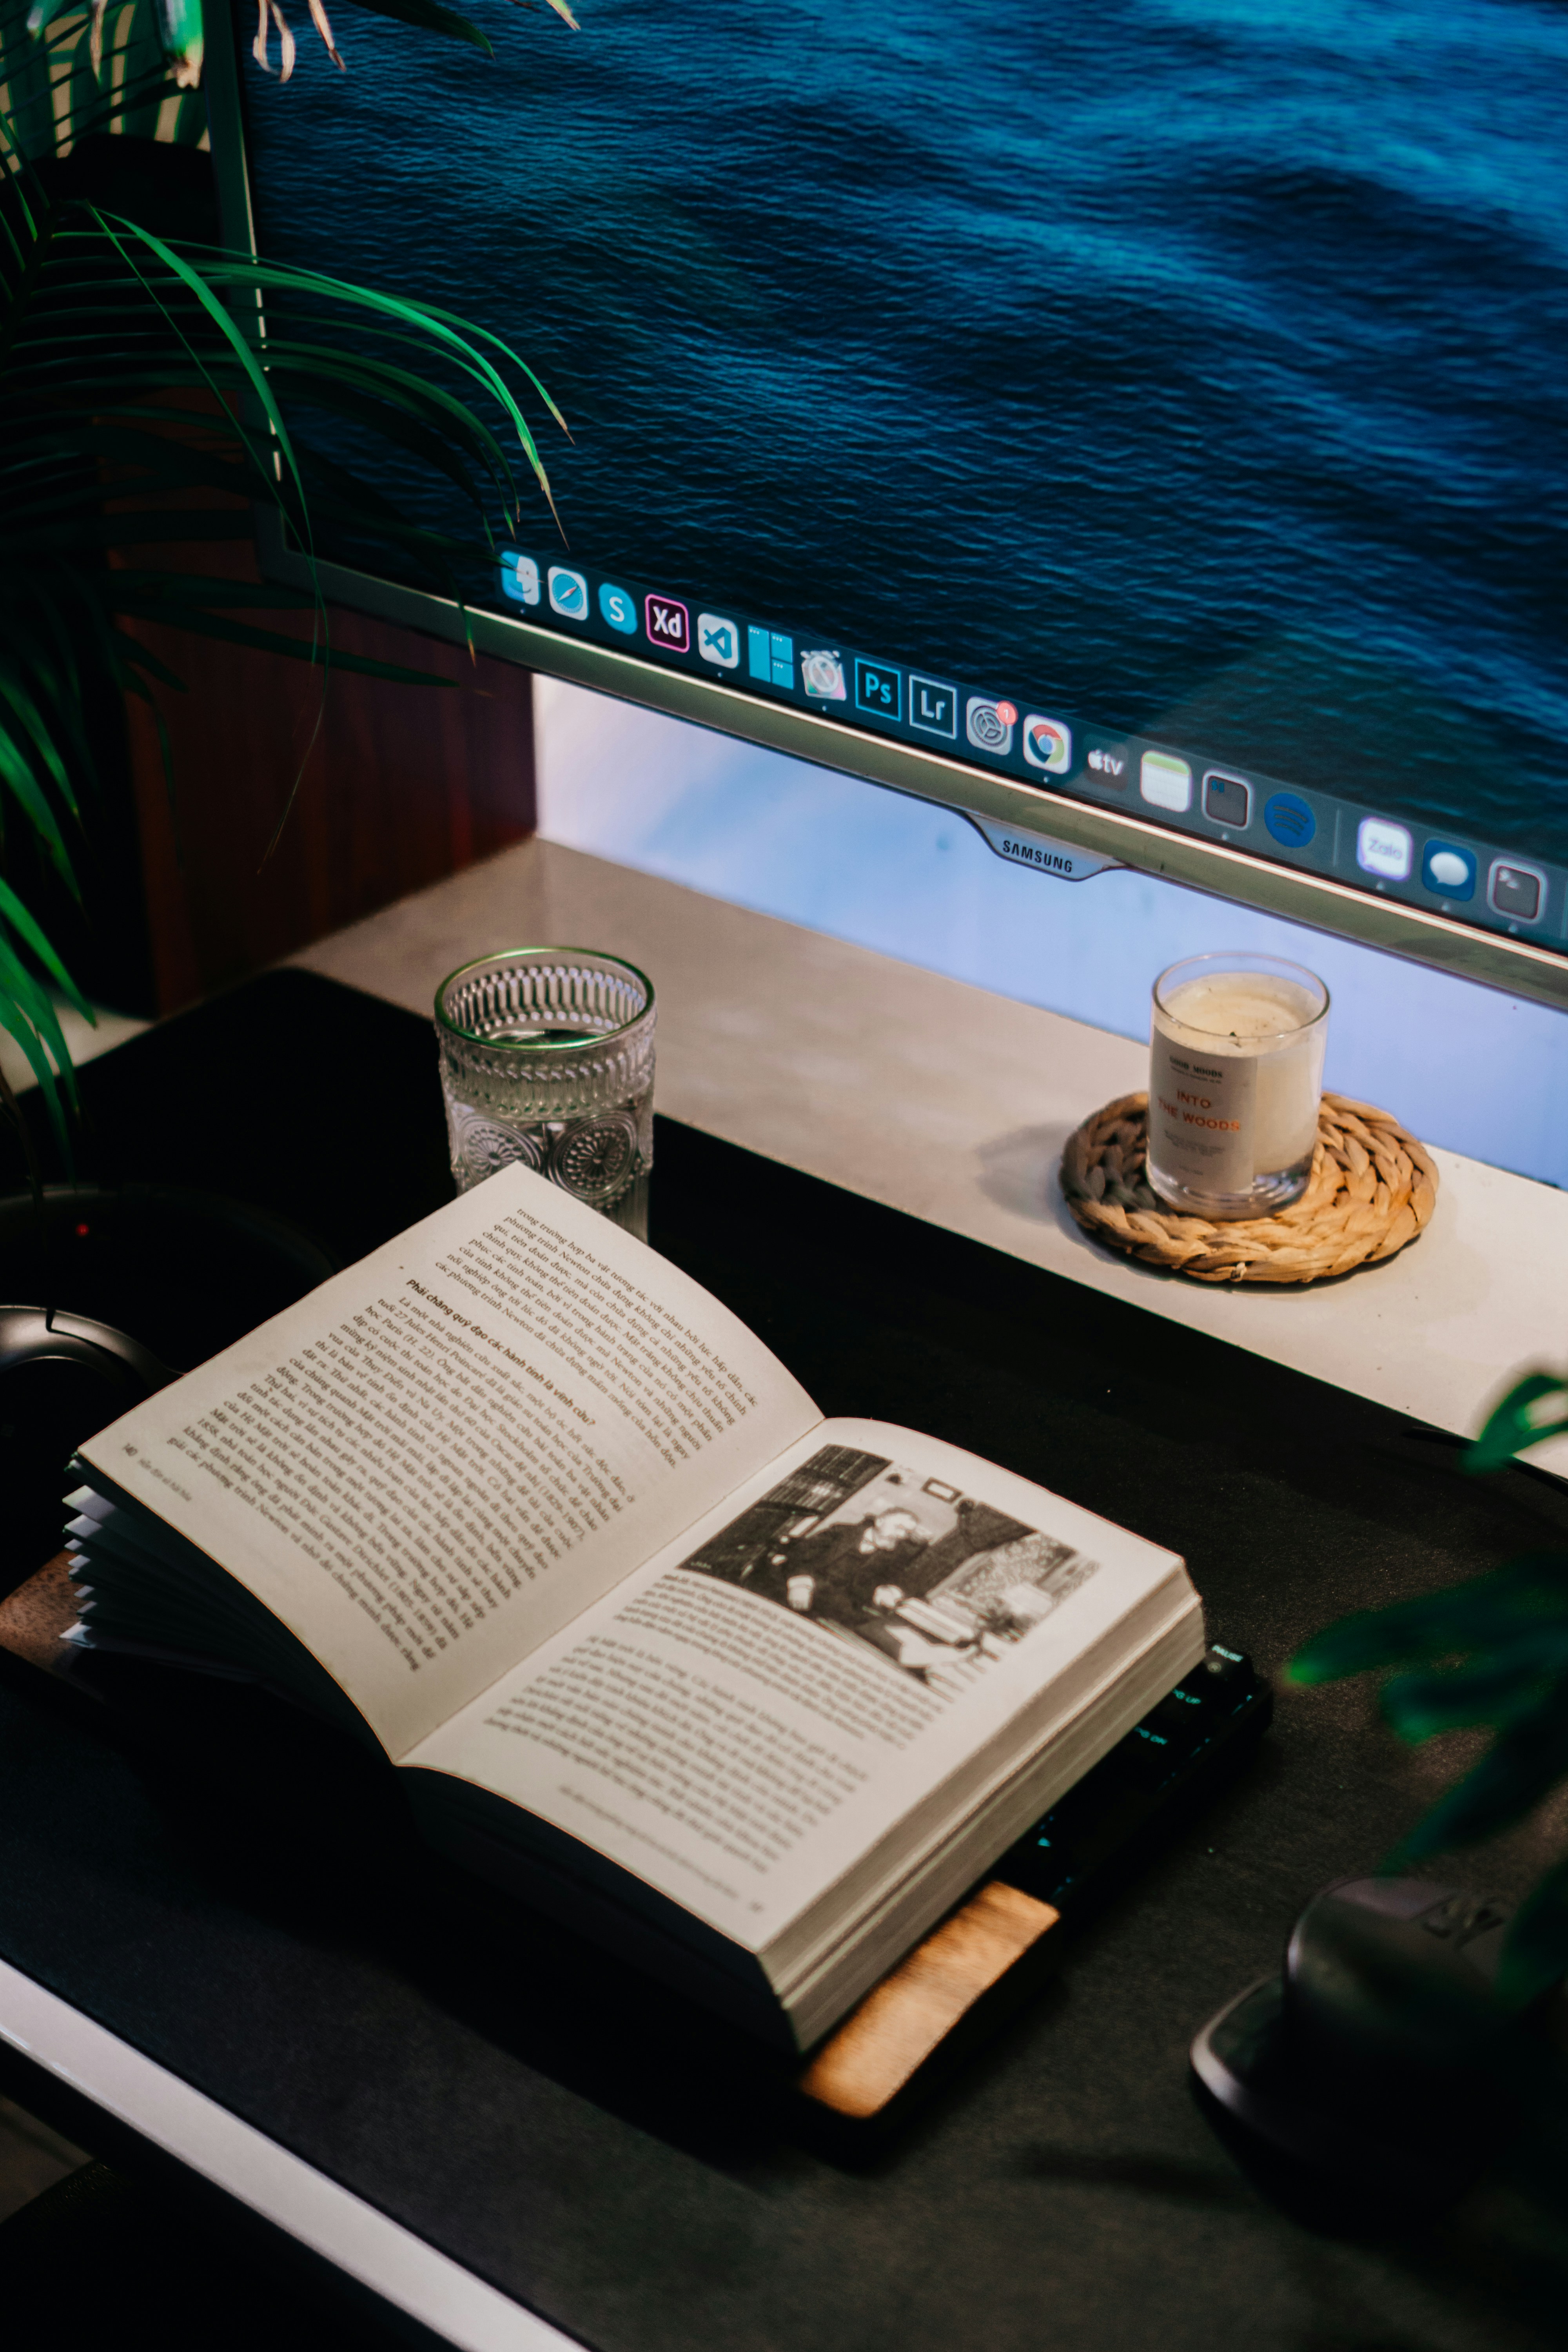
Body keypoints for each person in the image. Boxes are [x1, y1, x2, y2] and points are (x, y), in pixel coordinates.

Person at [743, 1506, 933, 1619]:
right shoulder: (840, 1532)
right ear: (880, 1521)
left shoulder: (892, 1554)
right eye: (898, 1527)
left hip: (828, 1605)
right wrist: (801, 1584)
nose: (900, 1536)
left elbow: (898, 1580)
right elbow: (798, 1556)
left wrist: (887, 1591)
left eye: (906, 1533)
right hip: (789, 1588)